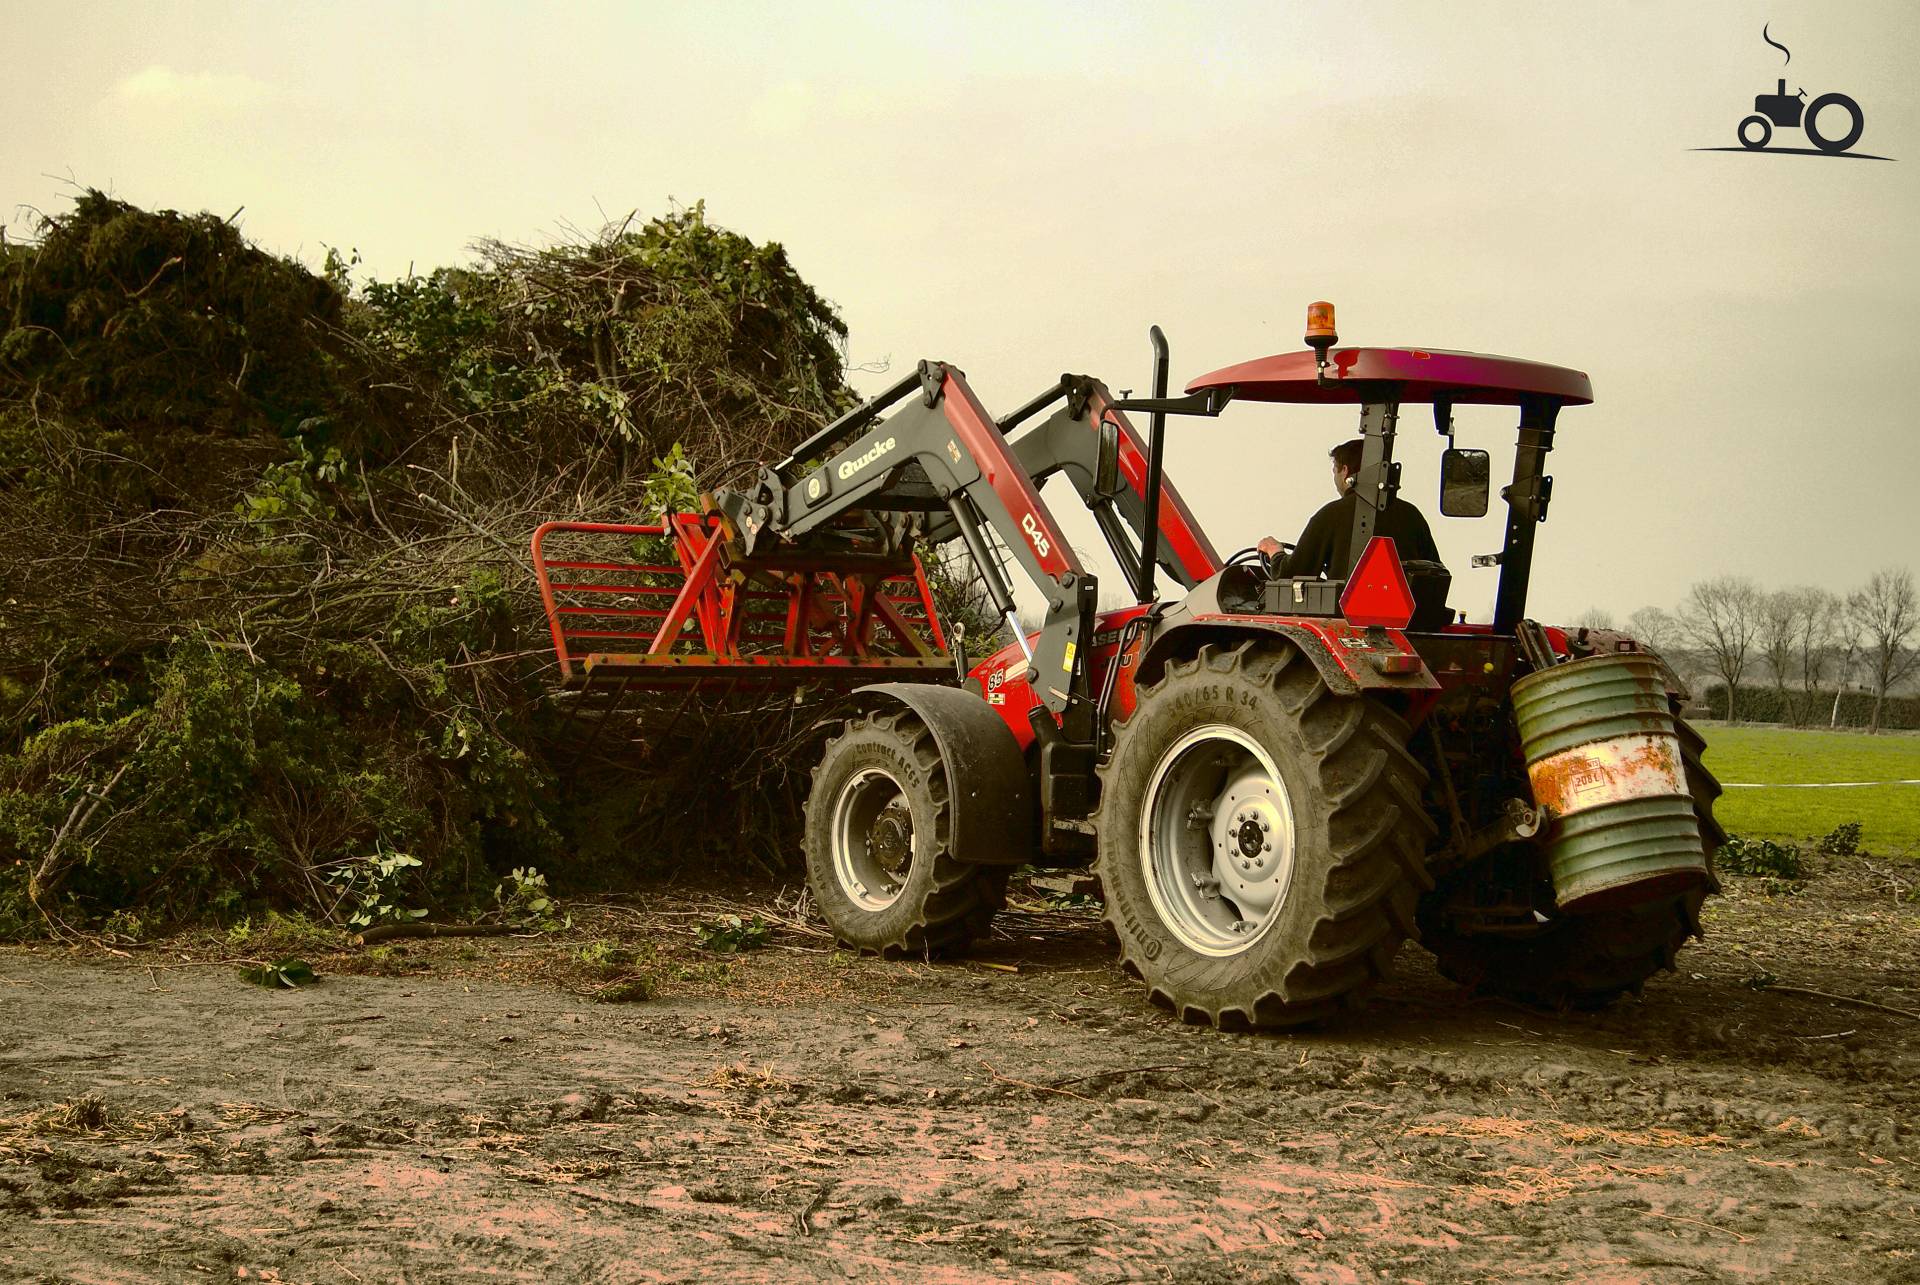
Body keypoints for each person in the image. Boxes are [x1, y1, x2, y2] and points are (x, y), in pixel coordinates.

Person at [1257, 439, 1440, 578]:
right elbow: (1436, 570)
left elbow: (1291, 575)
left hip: (1344, 620)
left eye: (1335, 471)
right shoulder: (1411, 515)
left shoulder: (1331, 515)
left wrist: (1275, 552)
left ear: (1345, 471)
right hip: (1410, 621)